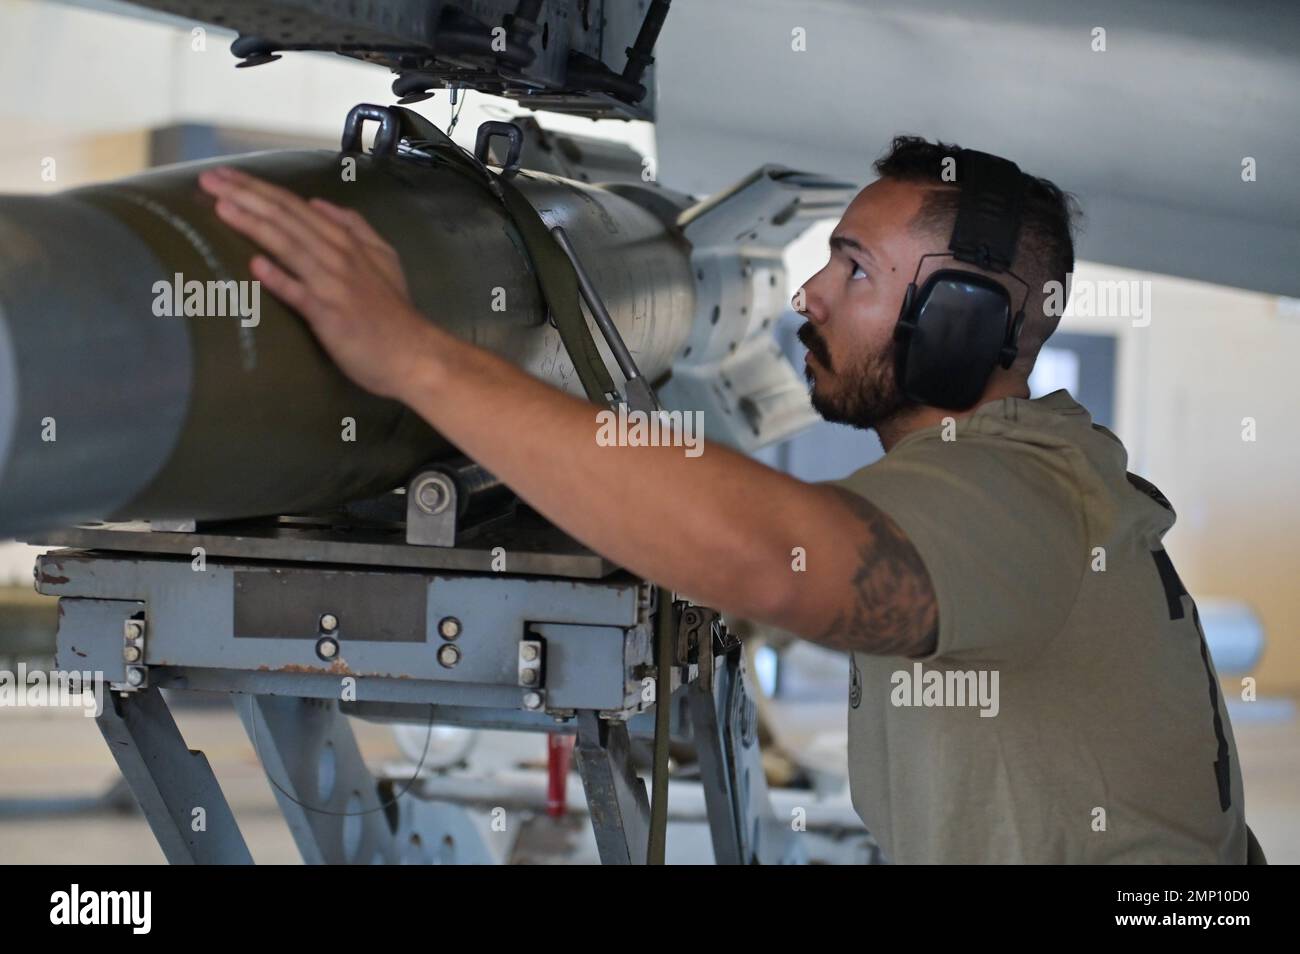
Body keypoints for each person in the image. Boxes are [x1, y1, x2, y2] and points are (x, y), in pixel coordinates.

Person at [197, 134, 1247, 863]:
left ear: (961, 321)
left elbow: (767, 558)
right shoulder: (1029, 468)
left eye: (854, 271)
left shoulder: (1016, 493)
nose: (807, 297)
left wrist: (416, 360)